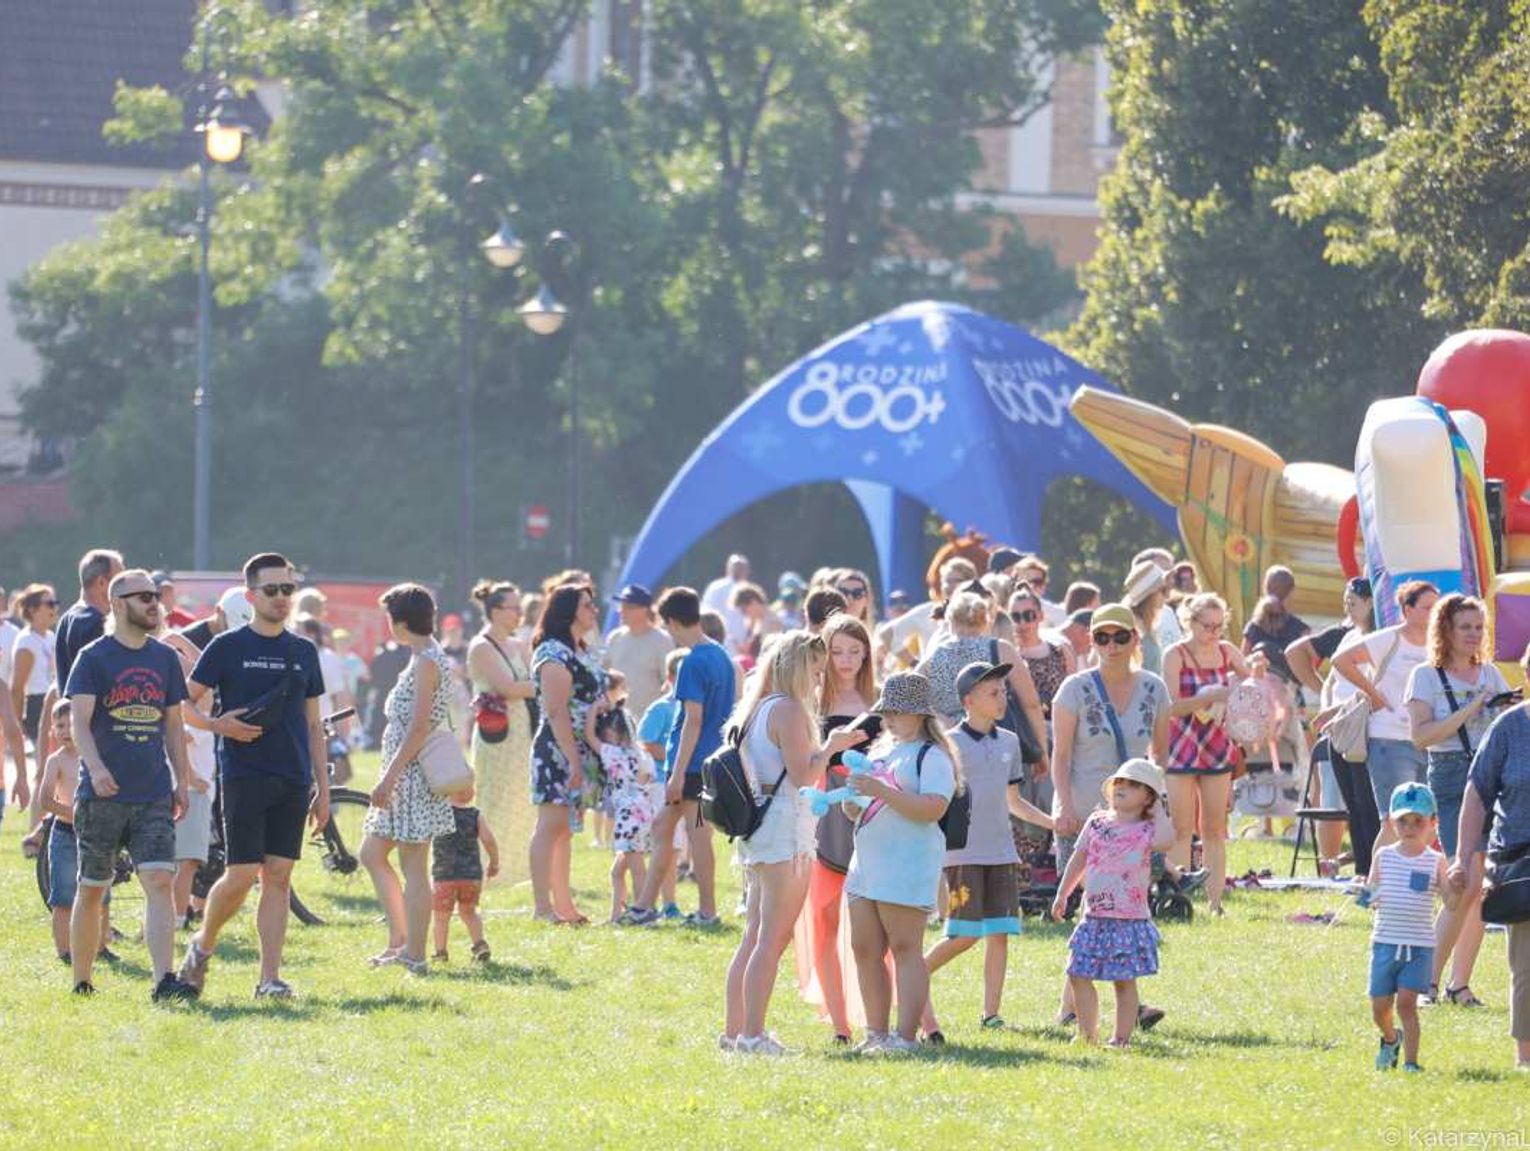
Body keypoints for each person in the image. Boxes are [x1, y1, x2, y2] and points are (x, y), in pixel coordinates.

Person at [178, 554, 329, 1001]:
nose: (282, 598)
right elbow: (183, 704)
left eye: (288, 589)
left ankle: (269, 979)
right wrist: (217, 725)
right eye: (273, 590)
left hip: (293, 776)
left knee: (278, 875)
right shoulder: (226, 647)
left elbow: (314, 726)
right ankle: (202, 947)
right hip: (244, 775)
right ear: (251, 596)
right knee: (241, 874)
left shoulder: (304, 651)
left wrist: (322, 790)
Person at [723, 631, 866, 1055]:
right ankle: (751, 1035)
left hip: (760, 830)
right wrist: (833, 747)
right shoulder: (786, 708)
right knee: (771, 938)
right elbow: (805, 775)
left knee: (754, 935)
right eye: (816, 671)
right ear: (798, 668)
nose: (820, 681)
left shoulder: (758, 707)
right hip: (783, 830)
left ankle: (736, 1033)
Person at [65, 569, 196, 1000]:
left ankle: (163, 980)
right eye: (143, 597)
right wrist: (97, 768)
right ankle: (82, 979)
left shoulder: (163, 658)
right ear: (118, 603)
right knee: (93, 887)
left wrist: (182, 778)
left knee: (159, 880)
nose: (153, 603)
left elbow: (174, 725)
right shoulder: (94, 657)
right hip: (102, 795)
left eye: (155, 596)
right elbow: (79, 724)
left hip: (153, 790)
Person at [1049, 602, 1175, 1029]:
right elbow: (1060, 753)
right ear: (1092, 640)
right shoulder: (1074, 688)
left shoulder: (1154, 688)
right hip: (1087, 812)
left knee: (1125, 912)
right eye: (1102, 636)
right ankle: (1074, 1007)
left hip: (1136, 822)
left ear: (1135, 640)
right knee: (1088, 914)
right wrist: (1064, 805)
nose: (1111, 645)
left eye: (1120, 636)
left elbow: (1161, 756)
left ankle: (1112, 1004)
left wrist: (1162, 814)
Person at [921, 661, 1052, 1040]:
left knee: (999, 933)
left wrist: (1050, 822)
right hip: (962, 853)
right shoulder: (949, 745)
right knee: (964, 935)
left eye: (1003, 691)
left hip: (1001, 851)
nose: (1002, 698)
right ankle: (911, 975)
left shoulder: (1010, 742)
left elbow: (1014, 801)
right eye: (993, 693)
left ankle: (991, 1014)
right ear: (969, 701)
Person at [1404, 594, 1514, 1007]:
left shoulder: (1490, 675)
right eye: (1464, 626)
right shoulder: (1426, 676)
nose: (1472, 635)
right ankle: (1425, 982)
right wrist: (1471, 709)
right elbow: (1421, 736)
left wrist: (1506, 707)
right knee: (1461, 880)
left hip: (1494, 779)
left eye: (1478, 627)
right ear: (1445, 630)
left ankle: (1458, 984)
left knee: (1482, 891)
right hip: (1451, 776)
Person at [844, 672, 959, 1055]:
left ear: (919, 715)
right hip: (867, 863)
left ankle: (906, 1036)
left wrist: (880, 790)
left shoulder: (932, 755)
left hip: (906, 862)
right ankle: (875, 1033)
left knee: (906, 947)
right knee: (865, 949)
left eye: (897, 712)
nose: (888, 719)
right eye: (886, 711)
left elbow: (933, 808)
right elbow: (858, 809)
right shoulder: (881, 750)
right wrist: (851, 800)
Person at [358, 584, 459, 974]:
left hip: (412, 774)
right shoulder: (423, 657)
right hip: (405, 770)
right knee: (373, 854)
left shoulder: (426, 661)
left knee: (414, 863)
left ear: (399, 623)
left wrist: (389, 777)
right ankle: (401, 941)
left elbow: (419, 728)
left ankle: (414, 953)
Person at [622, 588, 733, 927]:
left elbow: (693, 720)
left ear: (671, 622)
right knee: (662, 828)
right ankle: (644, 906)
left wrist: (677, 773)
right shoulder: (720, 654)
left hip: (692, 767)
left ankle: (707, 912)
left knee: (697, 835)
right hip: (705, 761)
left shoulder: (693, 662)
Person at [1051, 758, 1175, 1046]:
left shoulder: (1147, 829)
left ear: (1147, 798)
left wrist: (1158, 810)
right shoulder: (1097, 822)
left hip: (1127, 918)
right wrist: (1063, 893)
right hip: (1093, 914)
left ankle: (1120, 1038)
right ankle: (1087, 1035)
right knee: (1078, 973)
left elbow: (1168, 840)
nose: (1122, 788)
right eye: (1120, 782)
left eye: (1133, 786)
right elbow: (1078, 858)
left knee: (1123, 980)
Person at [796, 613, 877, 1043]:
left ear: (867, 653)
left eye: (854, 651)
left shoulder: (880, 702)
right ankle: (841, 1024)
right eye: (837, 651)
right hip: (824, 815)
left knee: (877, 923)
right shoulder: (811, 704)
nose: (845, 660)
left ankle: (884, 1015)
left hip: (872, 818)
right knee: (825, 919)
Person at [1449, 646, 1530, 1071]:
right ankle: (1527, 1059)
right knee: (1527, 966)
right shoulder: (1508, 729)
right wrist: (1463, 858)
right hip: (1520, 863)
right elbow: (1477, 793)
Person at [1332, 580, 1439, 854]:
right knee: (1395, 821)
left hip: (1427, 739)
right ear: (1407, 609)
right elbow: (1341, 660)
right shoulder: (1389, 638)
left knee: (1426, 822)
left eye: (1437, 607)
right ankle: (1376, 885)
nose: (1434, 612)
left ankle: (1409, 882)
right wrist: (1374, 695)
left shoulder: (1438, 645)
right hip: (1389, 738)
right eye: (1427, 607)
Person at [30, 549, 124, 857]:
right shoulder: (96, 623)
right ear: (101, 582)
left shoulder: (71, 616)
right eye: (119, 579)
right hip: (97, 728)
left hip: (75, 722)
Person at [1162, 592, 1250, 916]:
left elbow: (1251, 689)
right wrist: (1208, 697)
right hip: (1182, 744)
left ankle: (1215, 902)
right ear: (1190, 622)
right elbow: (1171, 707)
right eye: (1206, 626)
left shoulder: (1228, 652)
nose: (1212, 632)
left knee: (1214, 827)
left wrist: (1238, 695)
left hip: (1216, 744)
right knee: (1182, 827)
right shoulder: (1176, 655)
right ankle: (1180, 900)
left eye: (1218, 626)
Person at [528, 583, 606, 924]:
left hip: (580, 748)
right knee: (550, 825)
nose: (595, 610)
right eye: (588, 605)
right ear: (569, 610)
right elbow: (556, 710)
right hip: (558, 750)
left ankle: (564, 905)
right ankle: (542, 907)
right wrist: (573, 759)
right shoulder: (553, 652)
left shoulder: (582, 649)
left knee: (565, 829)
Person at [1364, 783, 1453, 1072]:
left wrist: (1458, 888)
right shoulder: (1384, 856)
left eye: (1418, 821)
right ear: (1391, 821)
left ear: (1433, 824)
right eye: (1403, 820)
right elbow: (1372, 895)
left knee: (1406, 1004)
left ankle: (1412, 1063)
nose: (1410, 827)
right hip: (1385, 942)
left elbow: (1450, 902)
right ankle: (1391, 1038)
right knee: (1380, 1007)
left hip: (1419, 946)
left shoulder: (1435, 861)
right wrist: (1364, 896)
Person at [1287, 577, 1375, 868]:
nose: (1348, 610)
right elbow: (1301, 656)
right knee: (1337, 799)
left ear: (1371, 604)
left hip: (1367, 724)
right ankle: (1331, 865)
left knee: (1364, 802)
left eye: (1354, 604)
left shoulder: (1379, 636)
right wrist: (1324, 698)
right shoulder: (1345, 635)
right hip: (1340, 726)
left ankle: (1362, 865)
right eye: (1345, 604)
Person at [916, 590, 1048, 779]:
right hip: (996, 746)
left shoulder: (933, 656)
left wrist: (942, 719)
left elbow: (911, 699)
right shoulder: (1001, 649)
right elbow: (1031, 703)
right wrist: (1041, 750)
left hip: (949, 749)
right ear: (987, 620)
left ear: (950, 621)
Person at [466, 581, 536, 887]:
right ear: (495, 611)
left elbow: (526, 680)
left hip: (522, 732)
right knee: (493, 799)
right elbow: (507, 688)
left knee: (521, 798)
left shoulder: (517, 644)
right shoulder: (481, 646)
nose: (519, 612)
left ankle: (517, 870)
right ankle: (486, 869)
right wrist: (545, 686)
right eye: (514, 608)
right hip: (497, 733)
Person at [38, 699, 108, 966]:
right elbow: (46, 800)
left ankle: (100, 946)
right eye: (59, 726)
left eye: (70, 724)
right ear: (52, 731)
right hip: (66, 833)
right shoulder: (55, 762)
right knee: (63, 896)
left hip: (95, 832)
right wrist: (73, 814)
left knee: (100, 893)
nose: (66, 731)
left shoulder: (94, 758)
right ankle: (64, 950)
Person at [583, 702, 657, 923]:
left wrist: (592, 711)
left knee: (637, 869)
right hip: (645, 813)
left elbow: (588, 736)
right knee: (617, 871)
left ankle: (644, 912)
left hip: (628, 817)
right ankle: (616, 916)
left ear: (613, 733)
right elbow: (647, 780)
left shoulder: (613, 753)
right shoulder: (643, 754)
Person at [637, 647, 688, 919]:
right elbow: (646, 742)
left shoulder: (691, 707)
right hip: (660, 783)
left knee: (677, 845)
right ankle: (664, 903)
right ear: (670, 677)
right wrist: (676, 757)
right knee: (666, 843)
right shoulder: (661, 708)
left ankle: (667, 902)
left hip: (680, 784)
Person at [431, 784, 499, 964]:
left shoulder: (438, 812)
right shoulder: (475, 815)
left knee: (441, 916)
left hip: (444, 875)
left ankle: (440, 953)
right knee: (469, 912)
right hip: (471, 875)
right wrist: (494, 862)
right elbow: (489, 841)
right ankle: (480, 945)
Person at [10, 583, 57, 818]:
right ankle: (35, 835)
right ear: (33, 609)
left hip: (53, 703)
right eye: (49, 603)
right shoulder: (27, 642)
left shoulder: (50, 636)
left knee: (56, 767)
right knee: (44, 770)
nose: (54, 608)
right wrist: (17, 725)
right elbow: (17, 688)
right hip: (38, 706)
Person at [604, 584, 674, 719]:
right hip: (618, 722)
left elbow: (669, 683)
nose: (621, 611)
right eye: (621, 606)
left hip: (649, 721)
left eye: (628, 607)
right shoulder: (615, 638)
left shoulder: (662, 640)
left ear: (644, 610)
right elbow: (605, 677)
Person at [1122, 560, 1171, 675]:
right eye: (1163, 590)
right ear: (1149, 596)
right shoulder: (1131, 629)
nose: (1168, 595)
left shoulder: (1146, 625)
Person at [702, 553, 750, 652]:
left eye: (742, 568)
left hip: (741, 645)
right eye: (737, 567)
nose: (740, 570)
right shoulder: (716, 587)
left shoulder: (749, 589)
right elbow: (706, 613)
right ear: (729, 568)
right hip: (718, 639)